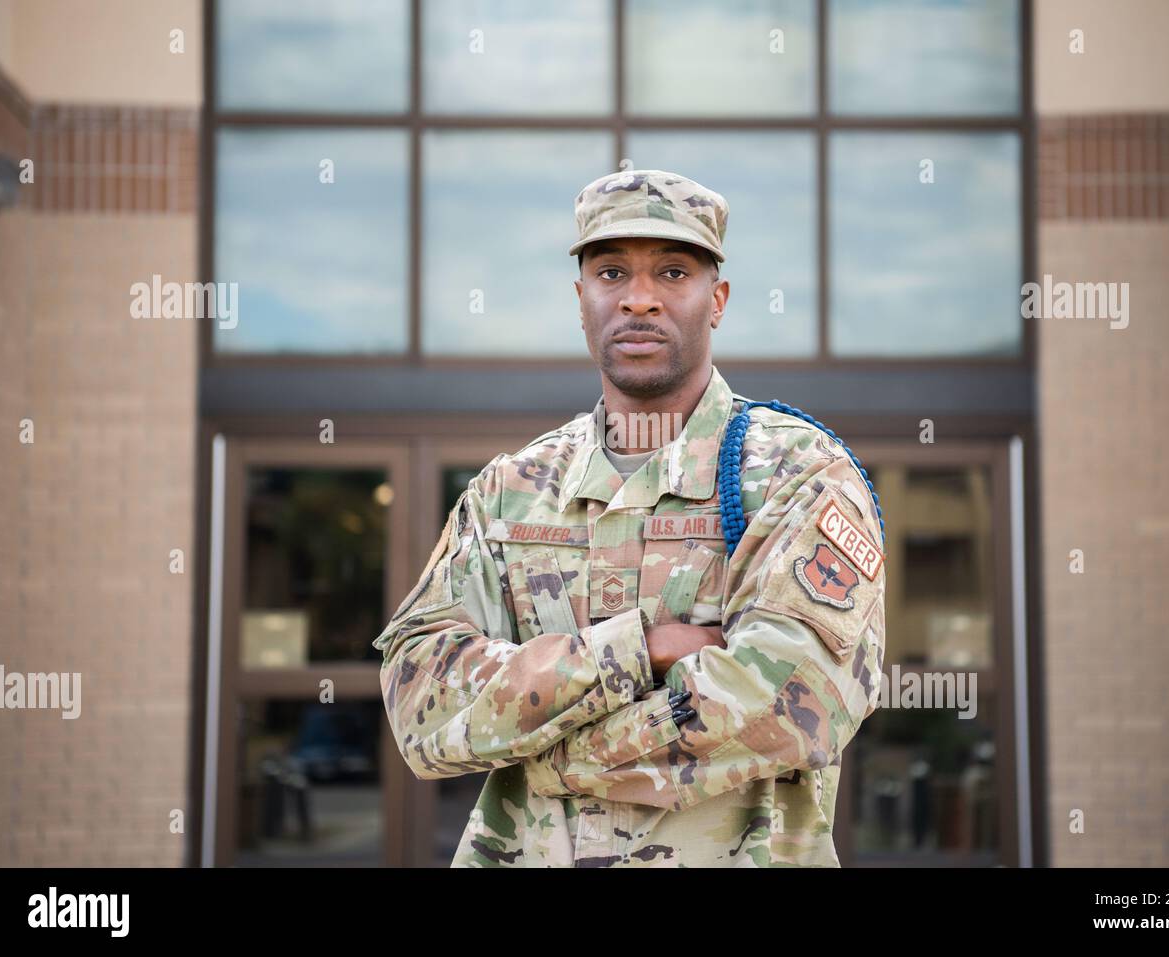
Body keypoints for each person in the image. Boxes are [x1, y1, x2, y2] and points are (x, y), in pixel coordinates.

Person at [373, 168, 886, 867]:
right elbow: (420, 697)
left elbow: (792, 701)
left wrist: (546, 753)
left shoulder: (797, 476)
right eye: (611, 272)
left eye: (673, 272)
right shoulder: (512, 490)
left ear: (719, 300)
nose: (639, 299)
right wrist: (638, 649)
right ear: (580, 300)